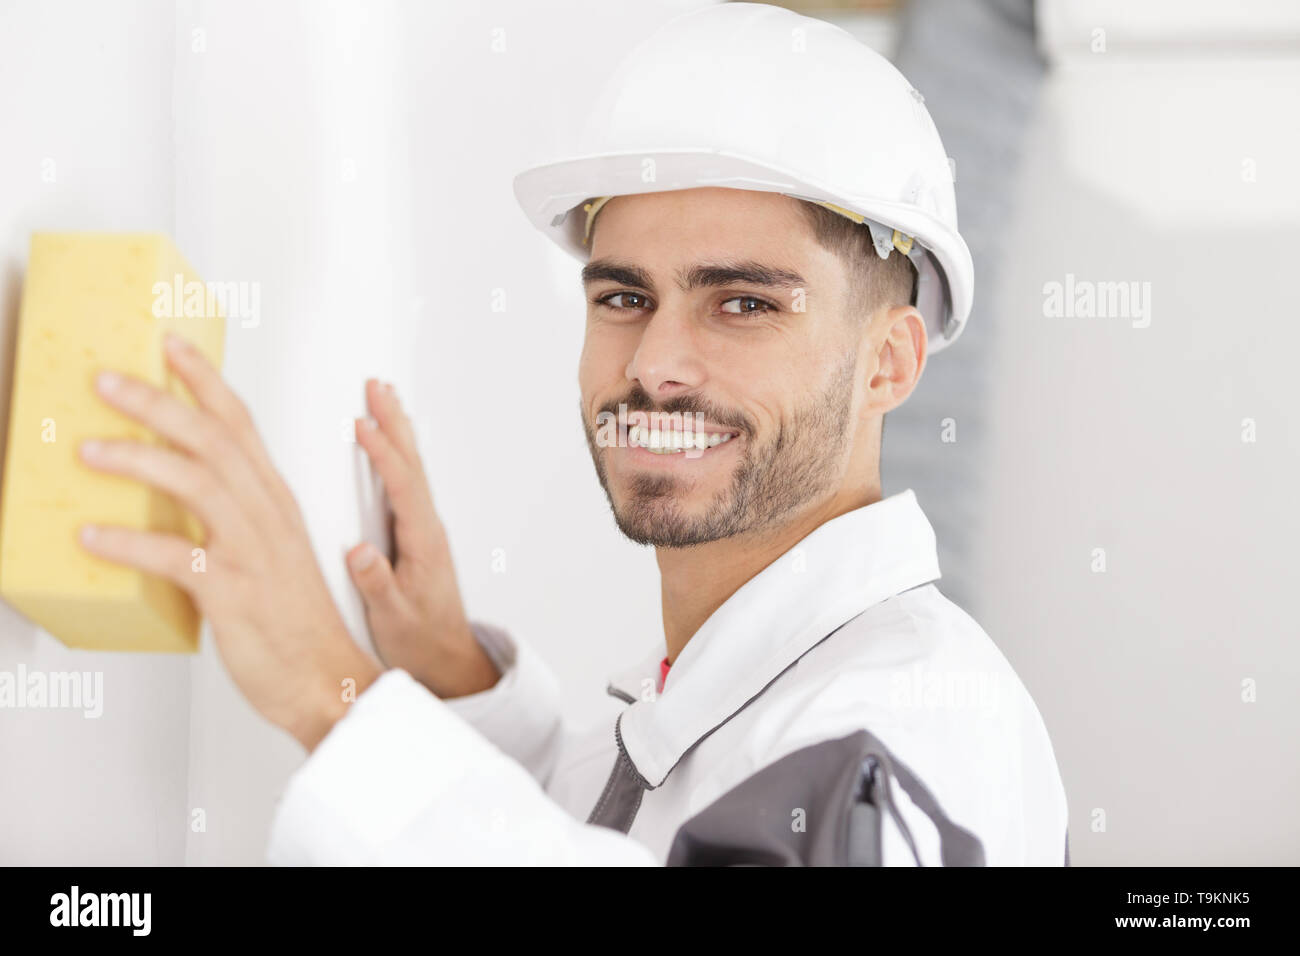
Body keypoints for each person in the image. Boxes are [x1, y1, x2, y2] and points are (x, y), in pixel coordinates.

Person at [76, 2, 1068, 865]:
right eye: (625, 295)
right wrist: (455, 681)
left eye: (742, 304)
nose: (654, 362)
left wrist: (322, 697)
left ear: (889, 362)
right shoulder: (715, 698)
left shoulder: (909, 722)